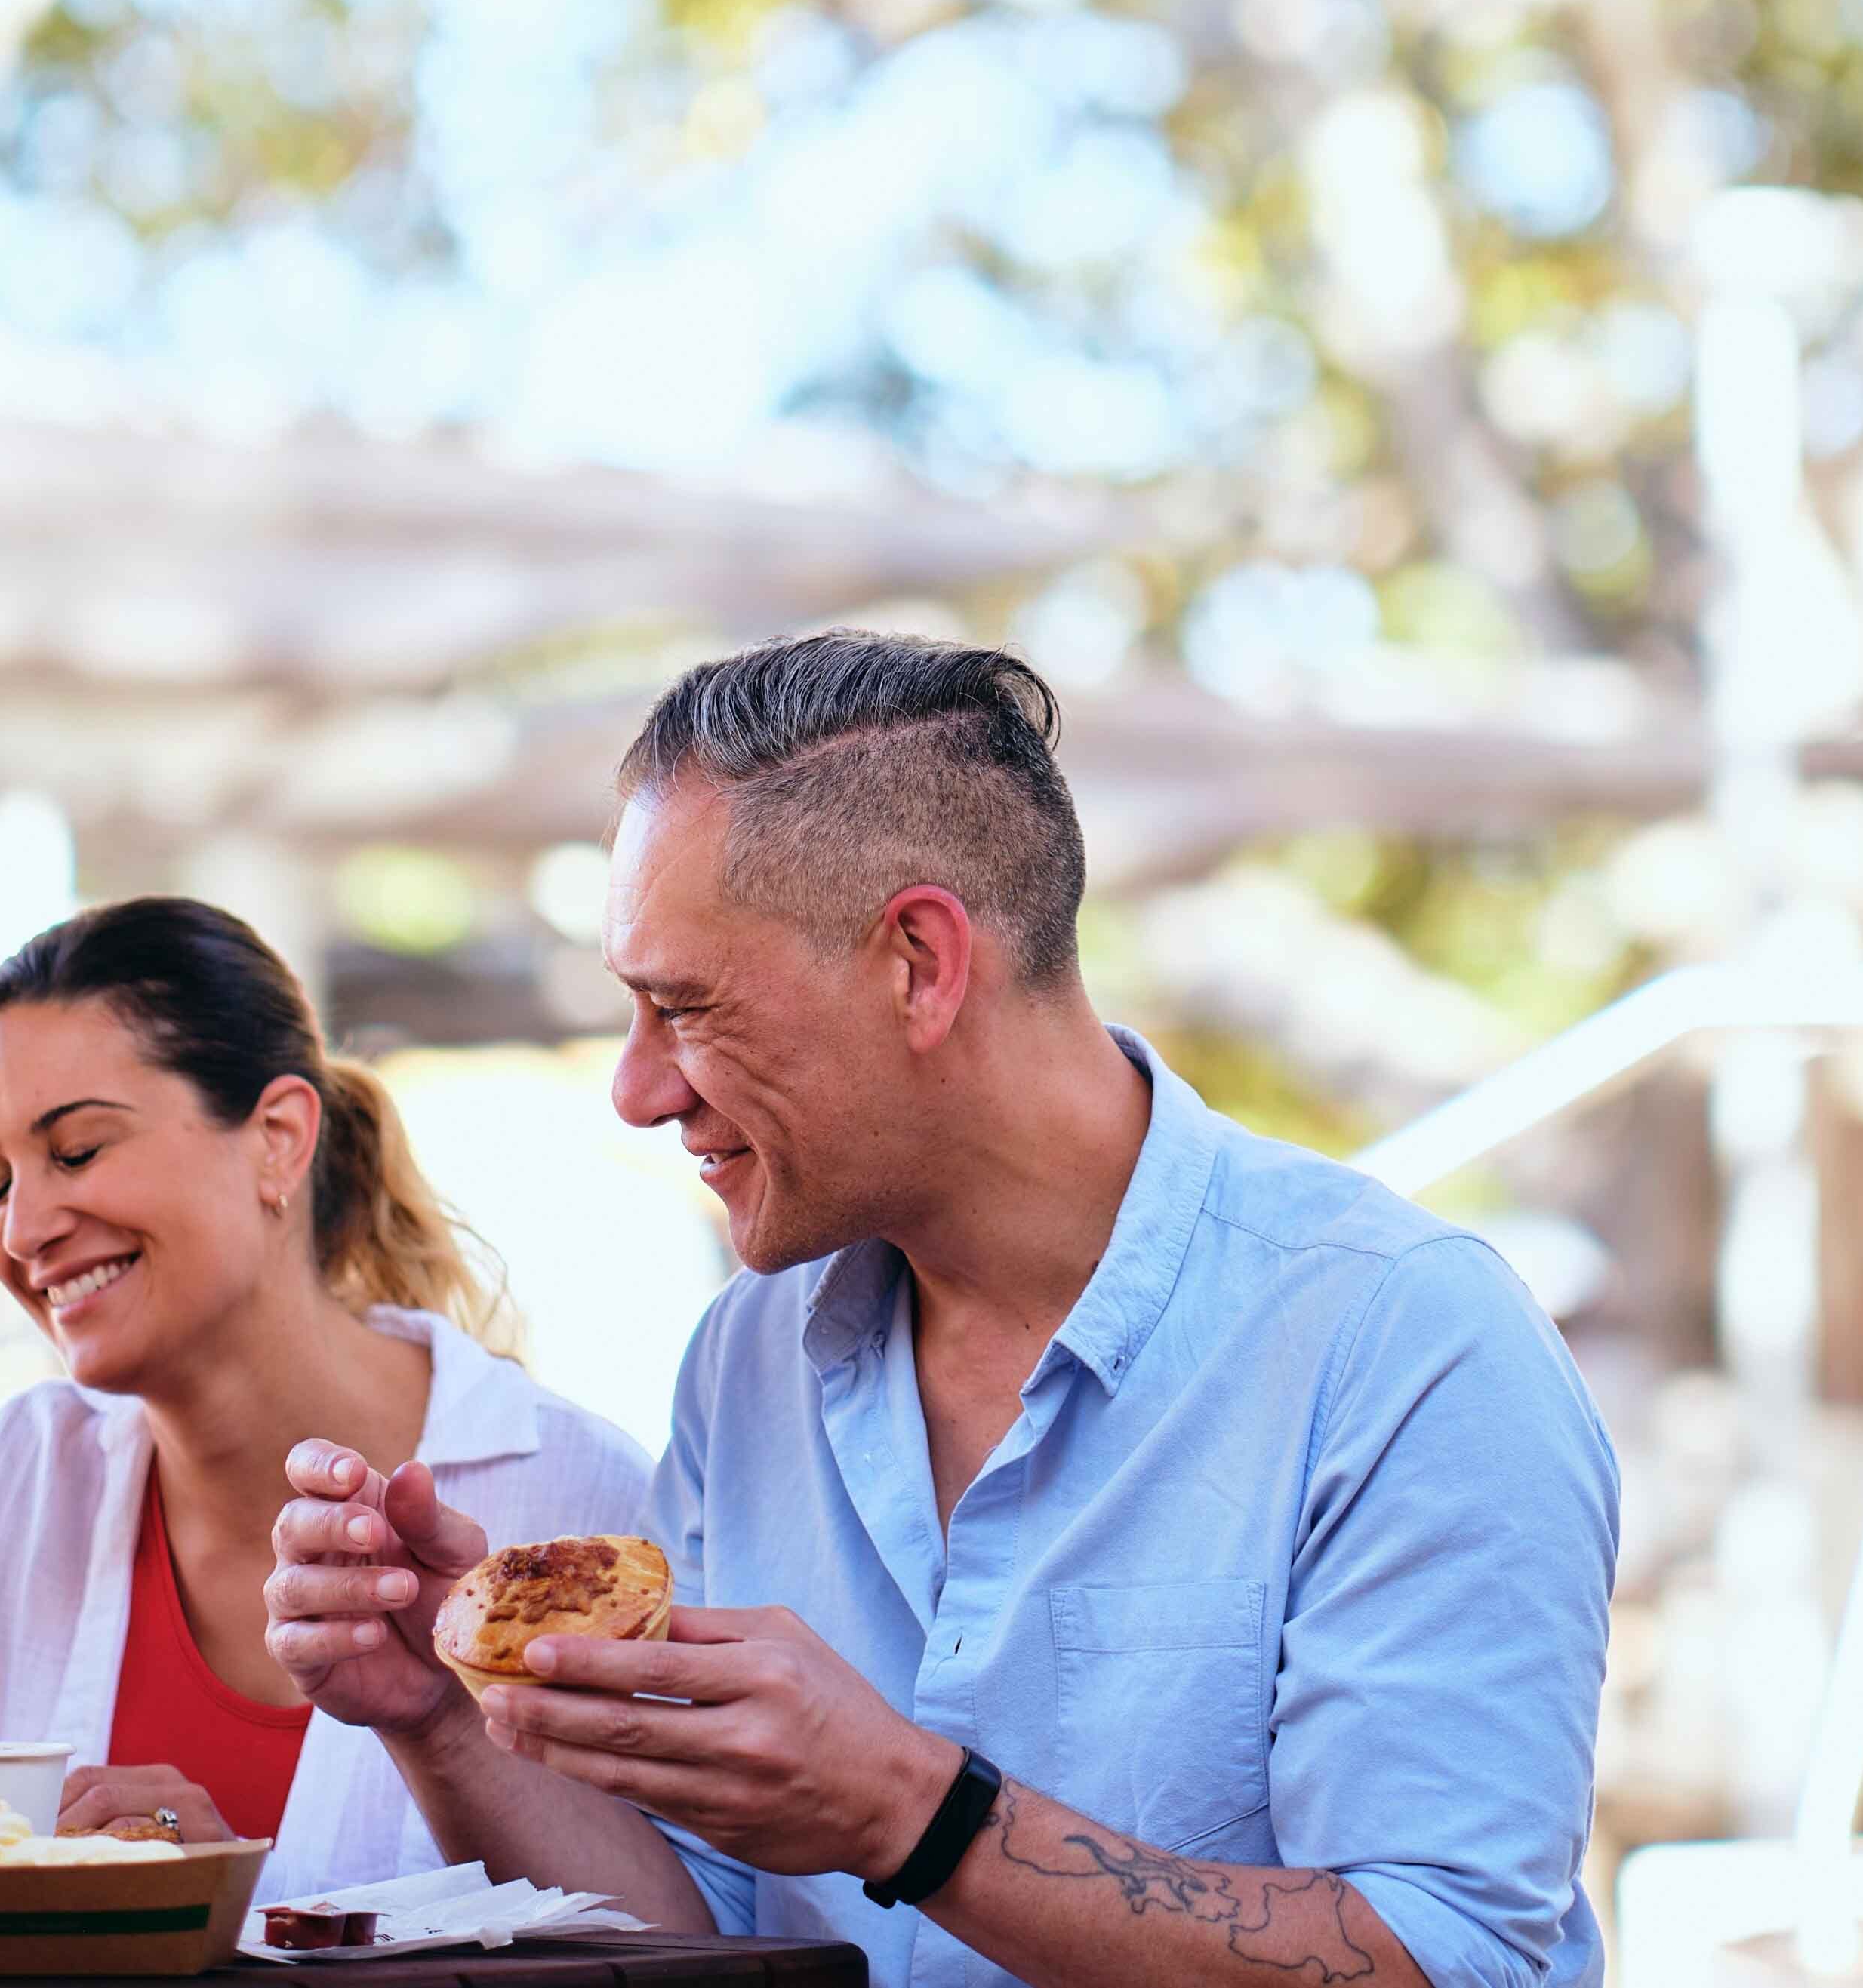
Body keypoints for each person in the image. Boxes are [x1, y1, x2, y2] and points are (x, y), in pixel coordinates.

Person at [267, 632, 1618, 1988]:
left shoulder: (1406, 1343)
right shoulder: (750, 1356)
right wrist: (441, 1715)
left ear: (920, 960)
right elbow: (706, 1930)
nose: (637, 1088)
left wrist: (913, 1809)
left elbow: (1449, 1962)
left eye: (683, 1007)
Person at [0, 897, 651, 1897]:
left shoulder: (575, 1503)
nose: (23, 1227)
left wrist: (215, 1894)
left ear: (278, 1139)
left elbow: (699, 1933)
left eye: (77, 1149)